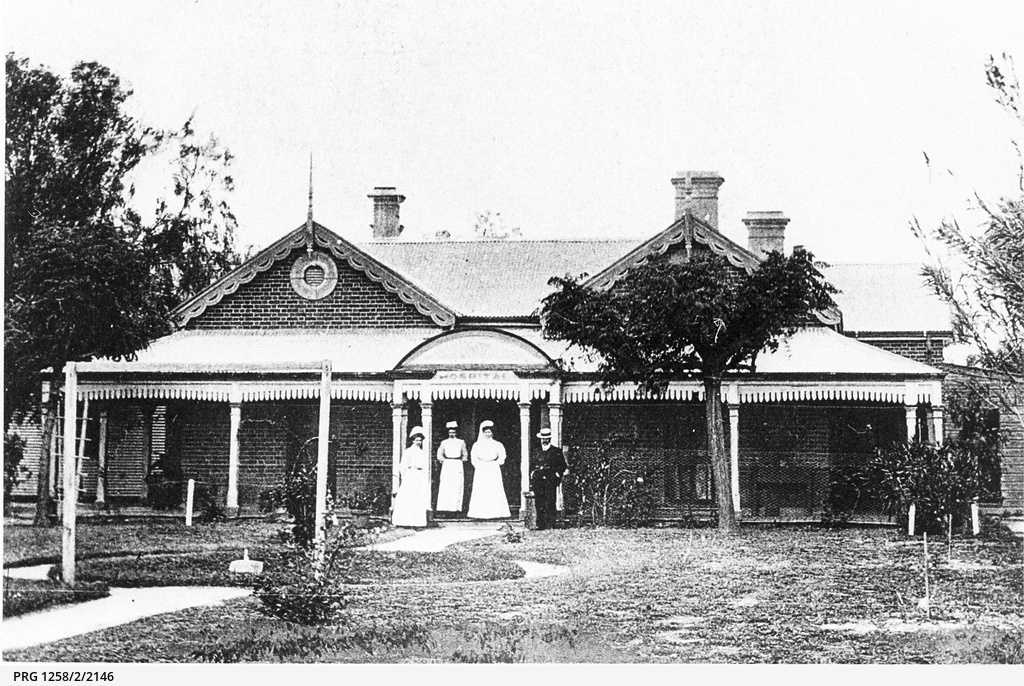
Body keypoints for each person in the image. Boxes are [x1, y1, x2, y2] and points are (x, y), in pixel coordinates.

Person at [467, 420, 511, 519]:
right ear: (482, 433)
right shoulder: (477, 445)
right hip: (481, 468)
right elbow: (473, 457)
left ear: (492, 433)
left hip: (493, 467)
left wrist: (497, 463)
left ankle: (496, 512)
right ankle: (479, 513)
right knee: (481, 489)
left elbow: (502, 455)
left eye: (489, 432)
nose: (487, 434)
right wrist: (478, 465)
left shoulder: (497, 444)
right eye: (486, 432)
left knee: (494, 488)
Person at [529, 427, 568, 530]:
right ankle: (540, 524)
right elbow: (532, 465)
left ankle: (551, 523)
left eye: (546, 438)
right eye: (543, 438)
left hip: (550, 479)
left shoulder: (556, 451)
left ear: (549, 439)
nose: (544, 440)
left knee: (550, 501)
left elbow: (563, 465)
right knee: (539, 502)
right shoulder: (536, 451)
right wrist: (533, 474)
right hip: (538, 479)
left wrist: (557, 474)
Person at [392, 426, 430, 528]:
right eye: (416, 440)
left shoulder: (422, 453)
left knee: (418, 497)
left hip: (419, 476)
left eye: (420, 440)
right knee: (408, 497)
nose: (418, 442)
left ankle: (417, 522)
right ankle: (404, 521)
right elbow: (403, 466)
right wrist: (405, 476)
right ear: (413, 440)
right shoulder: (408, 451)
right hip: (410, 475)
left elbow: (424, 466)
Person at [436, 420, 468, 512]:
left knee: (456, 485)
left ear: (456, 433)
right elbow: (439, 453)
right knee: (446, 485)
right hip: (447, 464)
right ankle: (445, 508)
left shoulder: (461, 442)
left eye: (453, 432)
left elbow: (465, 454)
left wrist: (462, 459)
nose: (452, 434)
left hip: (457, 464)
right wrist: (443, 460)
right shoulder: (444, 442)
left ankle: (456, 508)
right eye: (450, 432)